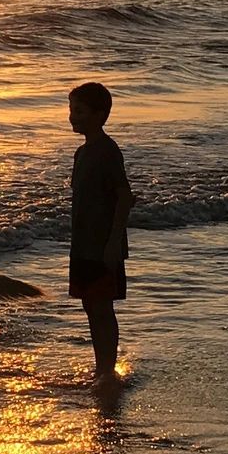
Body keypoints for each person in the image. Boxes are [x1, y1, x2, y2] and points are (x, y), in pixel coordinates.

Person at [67, 79, 132, 382]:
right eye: (71, 110)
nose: (72, 116)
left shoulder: (107, 151)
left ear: (100, 114)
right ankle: (101, 368)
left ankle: (107, 370)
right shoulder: (82, 153)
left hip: (102, 245)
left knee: (103, 308)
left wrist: (114, 242)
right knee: (90, 307)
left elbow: (123, 197)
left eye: (79, 111)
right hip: (82, 246)